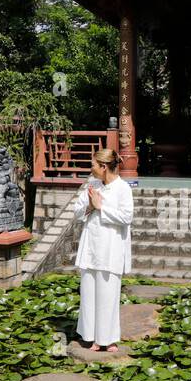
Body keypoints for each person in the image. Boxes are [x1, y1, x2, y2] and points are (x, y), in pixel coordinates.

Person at [69, 148, 133, 351]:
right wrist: (89, 205)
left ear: (104, 167)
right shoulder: (92, 185)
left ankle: (107, 339)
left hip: (111, 247)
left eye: (94, 166)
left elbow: (126, 217)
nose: (91, 169)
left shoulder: (123, 189)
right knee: (89, 292)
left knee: (108, 294)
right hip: (91, 246)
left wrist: (101, 206)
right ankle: (90, 336)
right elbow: (76, 211)